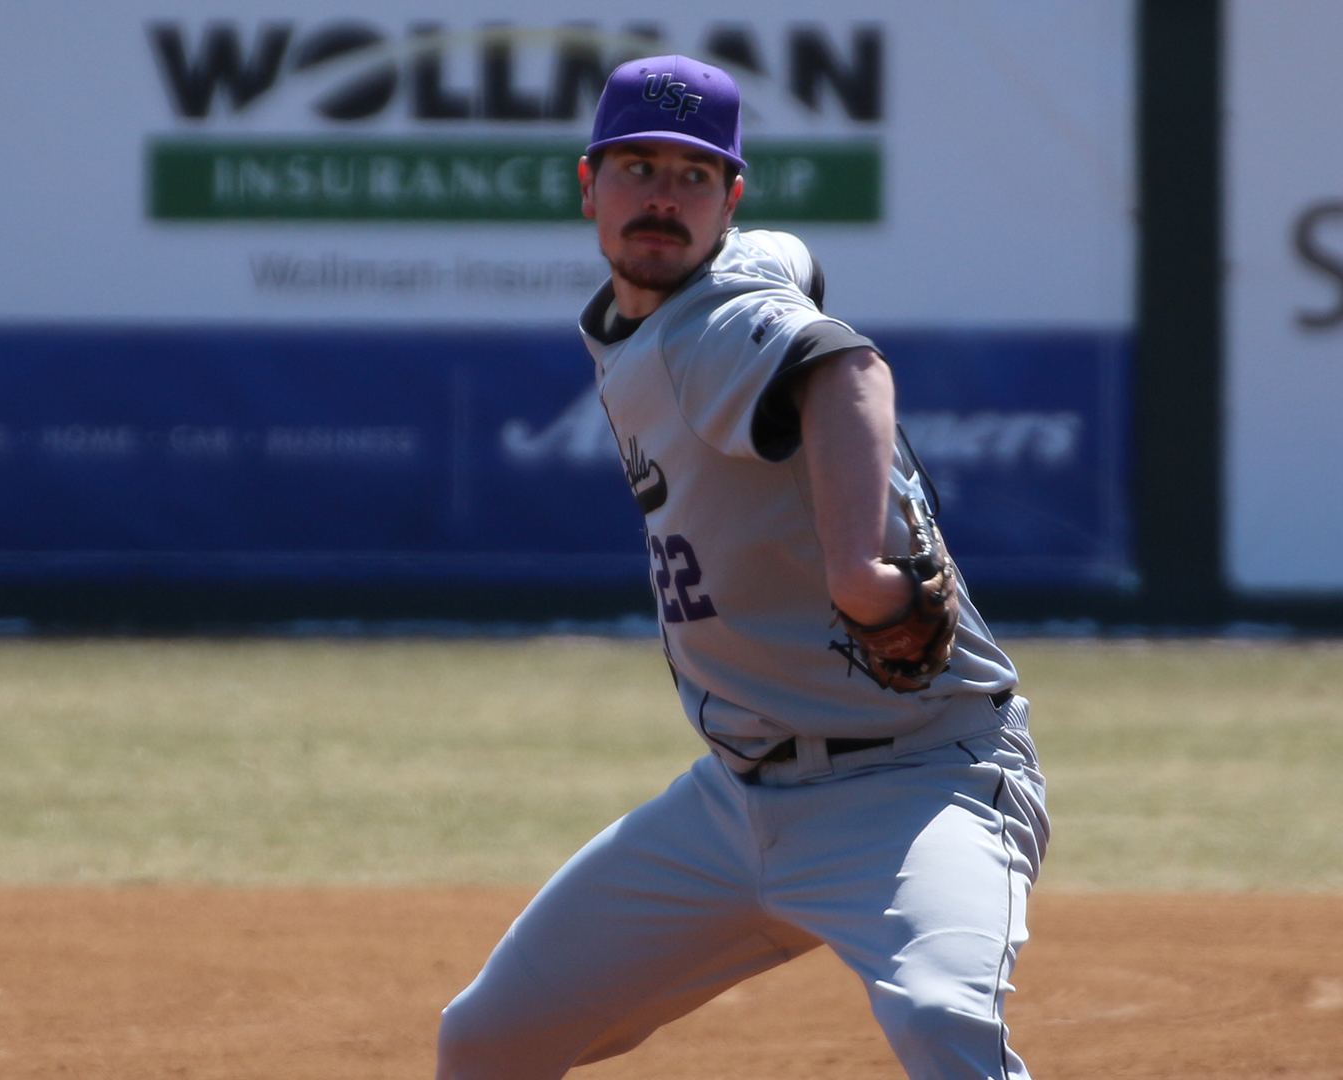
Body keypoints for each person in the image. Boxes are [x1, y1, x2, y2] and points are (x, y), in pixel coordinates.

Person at [437, 55, 1048, 1080]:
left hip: (921, 779)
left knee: (943, 1021)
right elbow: (790, 261)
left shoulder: (708, 329)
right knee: (487, 1040)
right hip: (733, 802)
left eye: (693, 176)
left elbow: (847, 367)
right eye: (638, 168)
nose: (662, 198)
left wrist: (859, 573)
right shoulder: (695, 294)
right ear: (588, 185)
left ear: (729, 198)